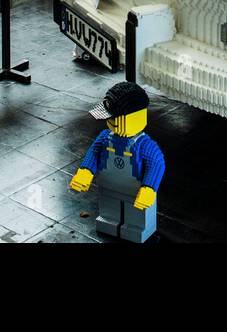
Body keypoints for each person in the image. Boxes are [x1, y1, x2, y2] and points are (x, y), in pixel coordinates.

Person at [69, 81, 165, 243]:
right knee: (109, 211)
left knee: (137, 218)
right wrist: (85, 172)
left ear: (134, 117)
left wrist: (149, 188)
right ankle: (109, 222)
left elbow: (157, 164)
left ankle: (138, 229)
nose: (110, 121)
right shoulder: (105, 137)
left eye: (114, 117)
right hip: (109, 185)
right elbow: (94, 153)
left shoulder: (144, 145)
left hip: (136, 193)